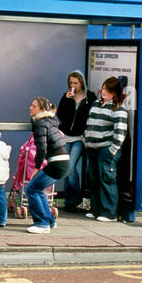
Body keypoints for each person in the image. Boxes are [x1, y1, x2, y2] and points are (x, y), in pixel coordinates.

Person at [82, 76, 130, 222]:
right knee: (94, 179)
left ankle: (110, 213)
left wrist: (112, 150)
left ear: (115, 93)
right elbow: (89, 122)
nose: (104, 92)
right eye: (103, 88)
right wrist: (86, 138)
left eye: (108, 90)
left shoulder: (118, 109)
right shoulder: (96, 103)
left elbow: (120, 132)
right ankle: (96, 210)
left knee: (107, 179)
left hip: (105, 149)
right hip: (92, 147)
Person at [24, 97, 70, 233]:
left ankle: (42, 224)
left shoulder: (39, 124)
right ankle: (50, 221)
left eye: (34, 106)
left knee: (31, 189)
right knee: (37, 189)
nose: (30, 108)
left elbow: (42, 148)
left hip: (57, 163)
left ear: (42, 110)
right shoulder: (49, 121)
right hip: (62, 162)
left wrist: (37, 168)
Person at [56, 70, 96, 213]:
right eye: (71, 83)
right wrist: (67, 100)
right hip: (66, 136)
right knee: (66, 168)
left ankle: (75, 198)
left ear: (82, 82)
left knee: (71, 167)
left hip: (80, 137)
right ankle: (70, 200)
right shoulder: (66, 96)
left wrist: (87, 134)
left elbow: (92, 116)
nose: (73, 85)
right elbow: (60, 115)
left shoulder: (90, 97)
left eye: (76, 83)